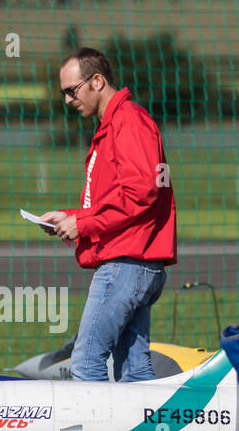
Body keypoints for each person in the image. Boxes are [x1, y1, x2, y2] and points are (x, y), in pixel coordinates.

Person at [38, 48, 176, 382]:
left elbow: (140, 194)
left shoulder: (127, 122)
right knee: (134, 366)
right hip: (136, 262)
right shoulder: (119, 123)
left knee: (85, 362)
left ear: (97, 81)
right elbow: (120, 197)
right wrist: (69, 216)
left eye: (72, 91)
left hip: (126, 264)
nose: (69, 100)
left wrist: (82, 223)